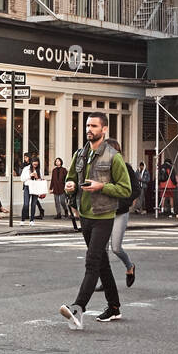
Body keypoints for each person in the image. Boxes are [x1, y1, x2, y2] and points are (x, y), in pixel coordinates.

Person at [59, 113, 131, 328]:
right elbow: (70, 178)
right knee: (101, 263)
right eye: (87, 125)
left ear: (104, 129)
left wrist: (102, 186)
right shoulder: (80, 154)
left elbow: (126, 189)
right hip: (85, 214)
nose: (89, 129)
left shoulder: (113, 157)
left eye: (94, 126)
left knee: (92, 261)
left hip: (104, 215)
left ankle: (78, 308)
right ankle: (114, 307)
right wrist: (69, 186)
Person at [102, 139, 136, 287]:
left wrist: (122, 203)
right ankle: (106, 281)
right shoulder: (101, 168)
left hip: (120, 212)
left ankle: (130, 267)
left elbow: (135, 190)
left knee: (116, 247)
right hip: (103, 212)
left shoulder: (126, 168)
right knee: (102, 249)